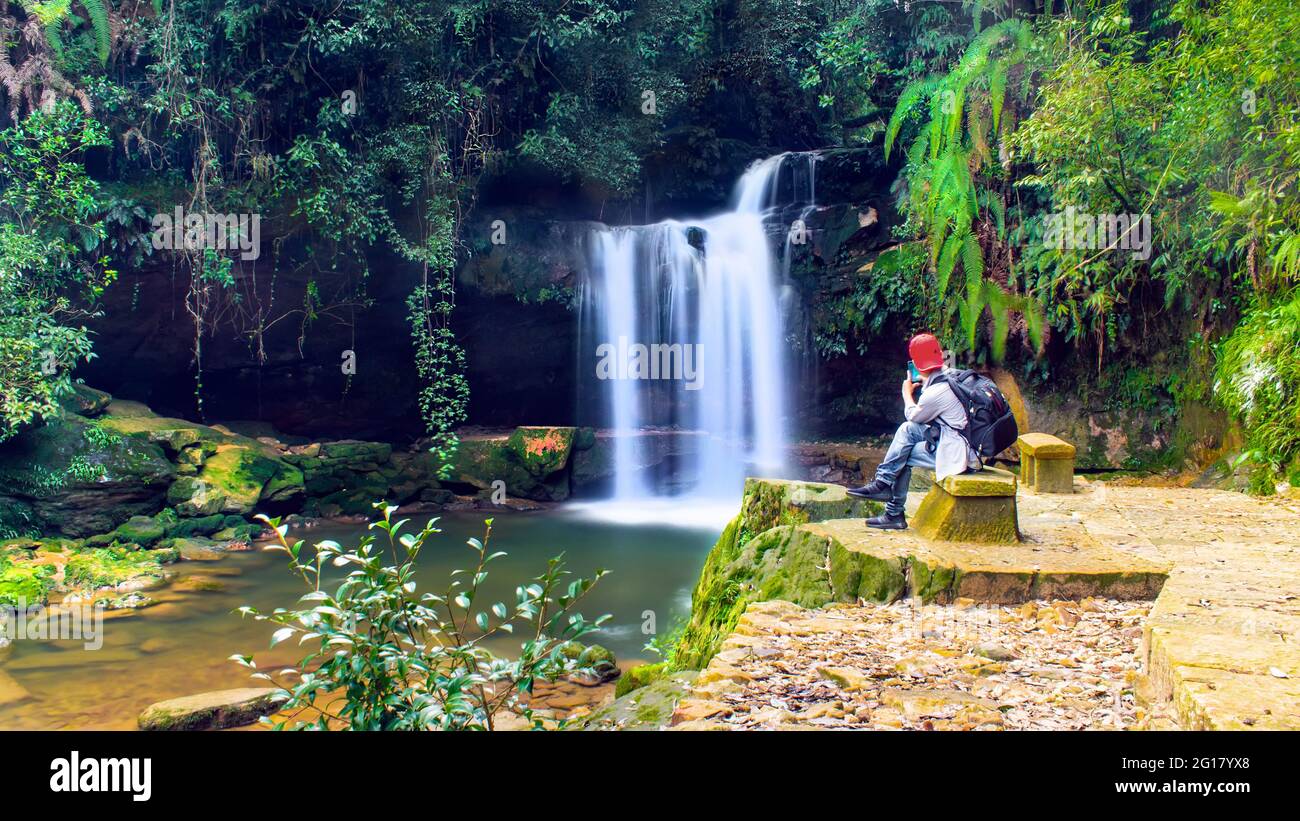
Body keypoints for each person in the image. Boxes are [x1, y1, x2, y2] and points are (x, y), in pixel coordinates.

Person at [847, 333, 981, 530]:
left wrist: (906, 393)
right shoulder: (951, 375)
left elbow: (914, 416)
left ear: (916, 364)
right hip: (963, 445)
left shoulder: (937, 392)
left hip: (958, 454)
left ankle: (891, 506)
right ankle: (885, 491)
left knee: (905, 444)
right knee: (906, 436)